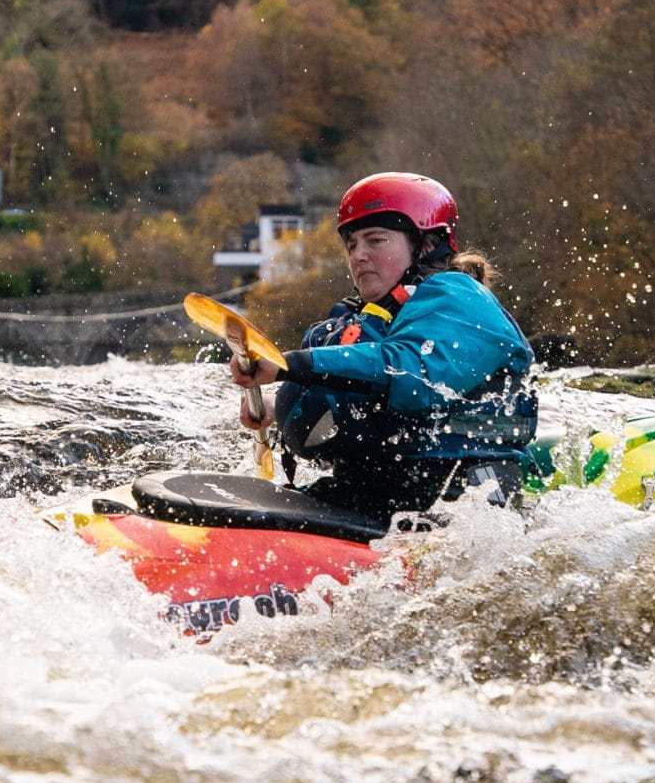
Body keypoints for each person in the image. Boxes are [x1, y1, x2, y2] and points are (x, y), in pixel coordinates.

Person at [228, 172, 537, 526]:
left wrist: (288, 365)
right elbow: (363, 401)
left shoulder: (460, 298)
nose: (358, 256)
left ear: (424, 245)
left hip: (460, 498)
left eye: (375, 241)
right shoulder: (371, 318)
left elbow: (410, 370)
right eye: (352, 245)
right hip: (377, 495)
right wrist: (276, 406)